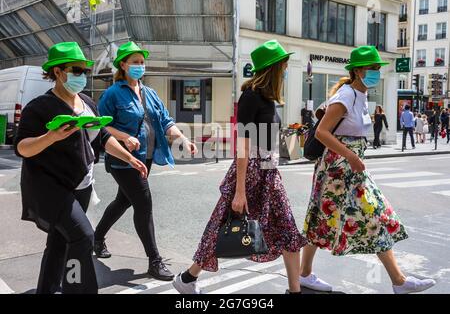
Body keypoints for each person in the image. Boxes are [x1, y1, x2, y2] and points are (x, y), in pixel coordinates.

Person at [172, 40, 307, 294]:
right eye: (284, 64)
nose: (287, 68)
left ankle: (295, 290)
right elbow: (242, 147)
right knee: (221, 229)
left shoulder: (269, 99)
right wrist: (240, 191)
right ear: (273, 68)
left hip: (269, 174)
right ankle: (188, 278)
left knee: (289, 231)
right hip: (250, 173)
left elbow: (266, 137)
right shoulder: (251, 97)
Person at [13, 42, 148, 294]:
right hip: (51, 187)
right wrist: (51, 137)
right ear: (58, 72)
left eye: (84, 71)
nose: (82, 76)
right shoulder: (38, 107)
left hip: (82, 185)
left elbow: (103, 137)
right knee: (83, 237)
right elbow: (22, 147)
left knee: (59, 242)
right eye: (76, 70)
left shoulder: (87, 102)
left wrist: (129, 158)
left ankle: (47, 289)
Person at [300, 45, 436, 294]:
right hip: (337, 172)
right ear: (358, 70)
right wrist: (351, 156)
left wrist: (355, 157)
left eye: (377, 68)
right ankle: (399, 281)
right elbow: (321, 132)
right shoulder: (346, 95)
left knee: (366, 219)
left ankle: (398, 281)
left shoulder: (360, 96)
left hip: (351, 172)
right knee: (367, 219)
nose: (376, 72)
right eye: (372, 68)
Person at [93, 41, 198, 281]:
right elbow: (102, 125)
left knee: (123, 201)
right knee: (143, 203)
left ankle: (97, 237)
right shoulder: (113, 93)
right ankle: (154, 260)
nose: (140, 66)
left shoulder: (149, 93)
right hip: (123, 160)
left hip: (147, 157)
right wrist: (124, 137)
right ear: (123, 65)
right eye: (135, 62)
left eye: (142, 62)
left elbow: (165, 121)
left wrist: (182, 139)